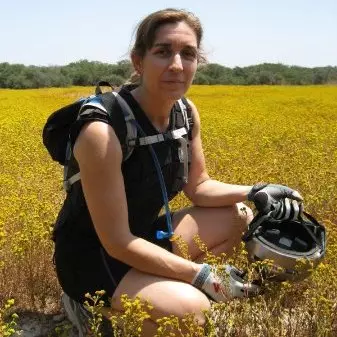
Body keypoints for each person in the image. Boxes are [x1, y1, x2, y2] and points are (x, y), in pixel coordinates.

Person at [53, 8, 303, 336]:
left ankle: (159, 292)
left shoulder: (184, 113)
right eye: (162, 52)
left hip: (141, 237)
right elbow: (116, 243)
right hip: (93, 256)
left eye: (188, 54)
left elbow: (199, 186)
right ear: (138, 61)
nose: (176, 65)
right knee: (193, 312)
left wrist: (256, 190)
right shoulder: (103, 131)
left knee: (236, 215)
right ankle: (90, 307)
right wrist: (200, 275)